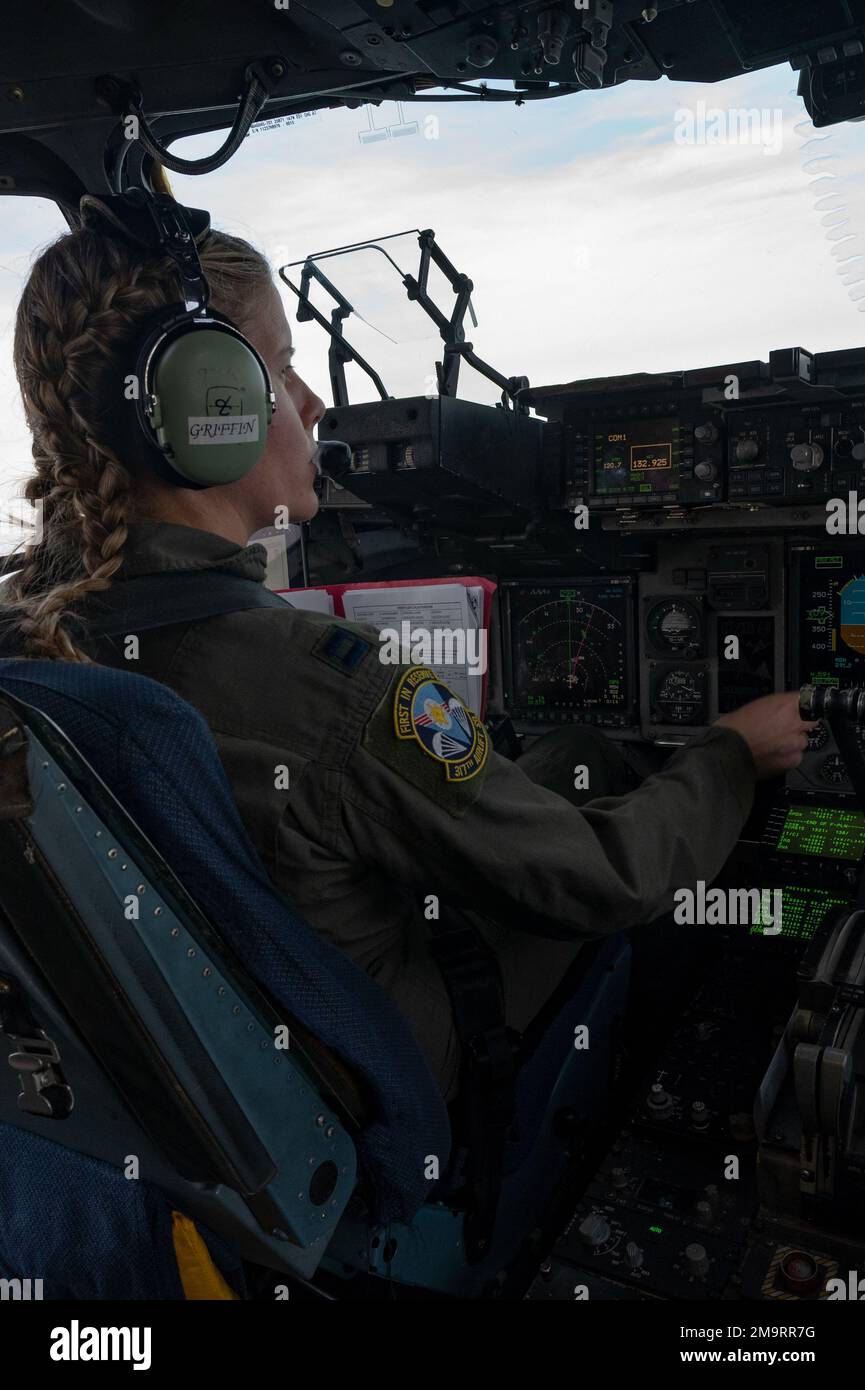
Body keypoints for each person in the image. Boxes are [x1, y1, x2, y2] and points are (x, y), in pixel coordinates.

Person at [0, 200, 817, 1102]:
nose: (313, 404)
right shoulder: (327, 687)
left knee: (572, 756)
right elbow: (606, 876)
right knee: (615, 821)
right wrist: (736, 753)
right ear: (204, 409)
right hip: (366, 1066)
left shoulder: (27, 638)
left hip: (169, 1082)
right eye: (280, 368)